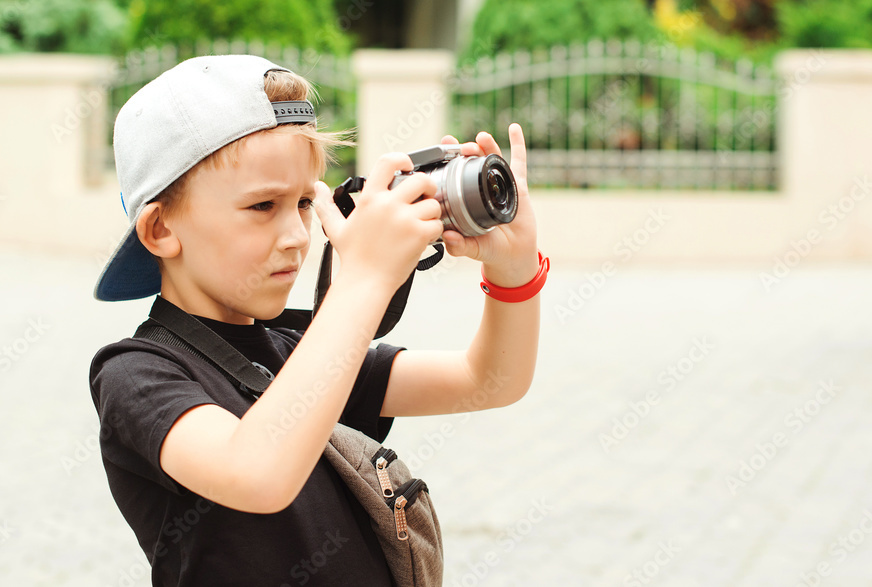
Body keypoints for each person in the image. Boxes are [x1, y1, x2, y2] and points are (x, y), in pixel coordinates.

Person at [89, 54, 542, 586]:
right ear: (161, 228)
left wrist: (515, 272)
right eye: (263, 206)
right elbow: (256, 473)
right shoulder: (136, 373)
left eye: (305, 202)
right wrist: (367, 278)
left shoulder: (304, 348)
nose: (298, 236)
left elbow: (489, 381)